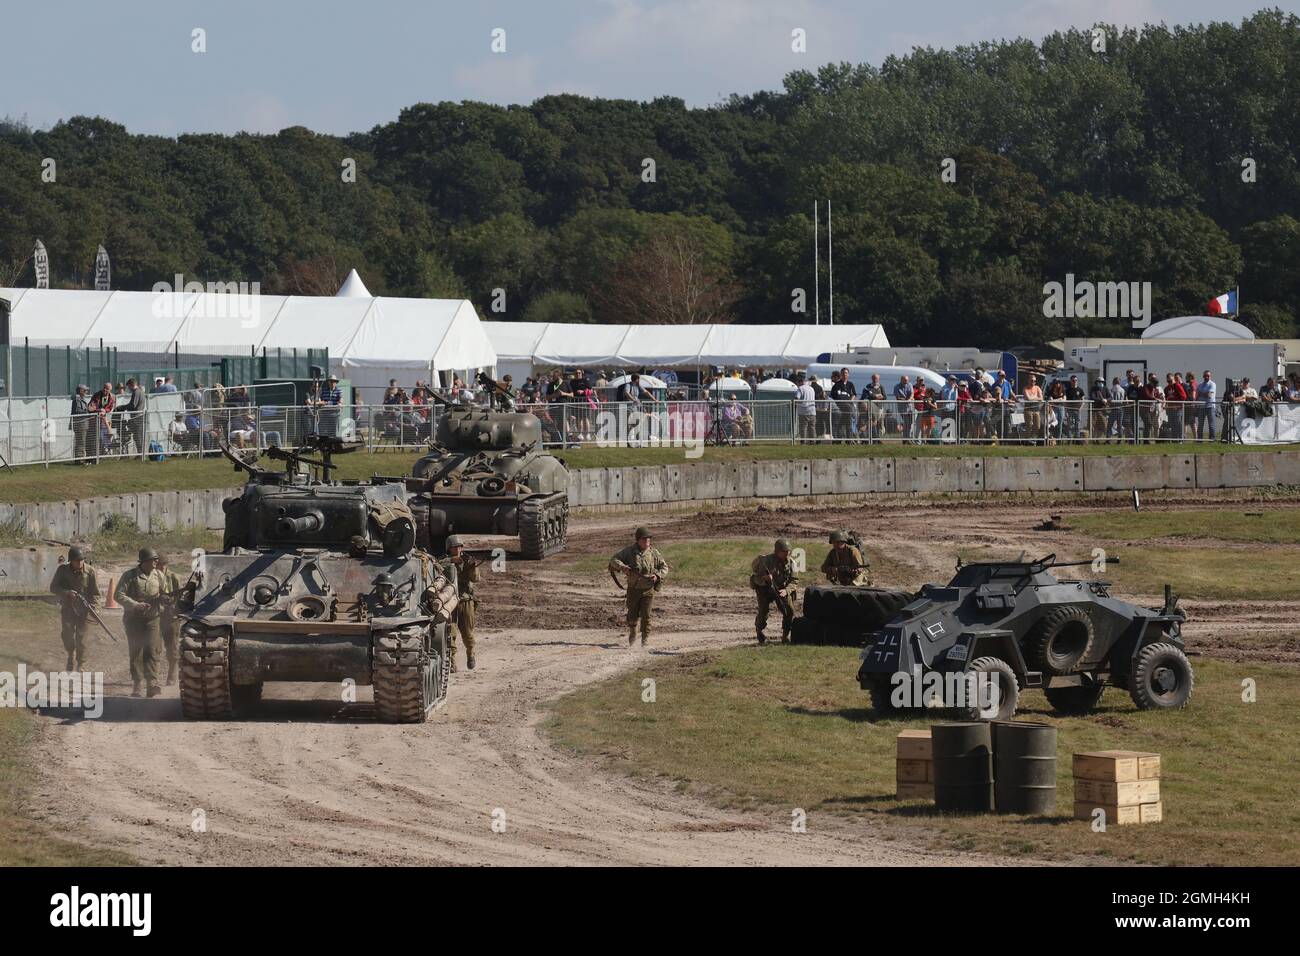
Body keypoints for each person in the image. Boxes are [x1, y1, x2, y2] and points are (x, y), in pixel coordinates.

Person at [114, 548, 168, 698]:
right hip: (134, 619)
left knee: (152, 649)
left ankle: (151, 684)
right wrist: (135, 605)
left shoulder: (159, 576)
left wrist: (163, 602)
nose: (156, 562)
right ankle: (137, 683)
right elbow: (118, 595)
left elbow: (166, 595)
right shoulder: (129, 576)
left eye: (157, 559)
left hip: (153, 618)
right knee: (136, 651)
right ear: (144, 561)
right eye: (153, 559)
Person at [608, 527, 669, 647]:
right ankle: (633, 631)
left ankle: (644, 641)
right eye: (644, 538)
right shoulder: (629, 552)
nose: (647, 541)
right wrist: (623, 567)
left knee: (646, 616)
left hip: (648, 590)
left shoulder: (654, 553)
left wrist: (657, 575)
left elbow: (664, 567)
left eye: (648, 538)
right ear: (638, 540)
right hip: (633, 589)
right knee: (632, 615)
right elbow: (613, 560)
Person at [49, 546, 100, 671]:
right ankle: (70, 655)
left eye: (82, 560)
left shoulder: (90, 571)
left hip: (85, 609)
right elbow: (53, 588)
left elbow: (96, 594)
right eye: (77, 560)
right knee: (67, 635)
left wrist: (96, 608)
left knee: (82, 638)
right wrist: (67, 593)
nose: (80, 562)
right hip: (68, 608)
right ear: (71, 560)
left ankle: (81, 664)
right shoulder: (62, 570)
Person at [443, 535, 480, 671]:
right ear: (449, 549)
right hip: (449, 601)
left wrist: (472, 567)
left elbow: (476, 579)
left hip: (465, 601)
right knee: (450, 632)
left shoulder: (468, 560)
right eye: (454, 547)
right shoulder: (444, 560)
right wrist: (452, 561)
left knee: (468, 632)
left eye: (459, 547)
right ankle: (452, 661)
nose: (458, 549)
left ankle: (471, 654)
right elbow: (437, 566)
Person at [750, 539, 797, 644]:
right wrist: (765, 578)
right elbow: (756, 578)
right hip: (764, 589)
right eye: (784, 551)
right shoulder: (766, 561)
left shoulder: (791, 563)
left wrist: (787, 590)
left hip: (781, 589)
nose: (787, 553)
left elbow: (794, 580)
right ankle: (759, 631)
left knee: (789, 610)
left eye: (788, 551)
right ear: (777, 551)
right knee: (763, 612)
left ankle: (785, 636)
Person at [157, 554, 183, 686]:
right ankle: (152, 677)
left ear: (166, 565)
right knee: (154, 647)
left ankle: (172, 673)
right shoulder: (152, 577)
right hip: (156, 616)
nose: (160, 567)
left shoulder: (174, 577)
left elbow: (180, 596)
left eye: (162, 564)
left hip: (171, 616)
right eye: (158, 564)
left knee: (172, 647)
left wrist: (172, 605)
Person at [88, 382, 116, 458]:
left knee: (107, 436)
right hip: (95, 421)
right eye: (104, 387)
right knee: (96, 438)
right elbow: (91, 407)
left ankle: (105, 454)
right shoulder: (96, 395)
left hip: (105, 421)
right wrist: (99, 410)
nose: (104, 389)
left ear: (110, 390)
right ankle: (95, 455)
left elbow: (110, 408)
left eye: (107, 388)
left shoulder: (112, 397)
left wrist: (104, 410)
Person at [859, 374, 887, 443]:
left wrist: (876, 396)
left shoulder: (881, 387)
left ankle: (878, 438)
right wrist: (876, 396)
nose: (875, 379)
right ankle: (872, 439)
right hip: (870, 408)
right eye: (874, 378)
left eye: (876, 378)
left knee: (879, 424)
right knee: (872, 421)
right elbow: (867, 396)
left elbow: (885, 397)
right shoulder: (868, 386)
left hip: (879, 407)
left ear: (879, 379)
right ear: (872, 378)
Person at [70, 384, 94, 465]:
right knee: (80, 442)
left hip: (83, 424)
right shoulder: (77, 400)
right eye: (85, 390)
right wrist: (89, 410)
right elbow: (78, 411)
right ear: (80, 391)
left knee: (82, 442)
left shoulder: (81, 399)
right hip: (80, 425)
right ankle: (79, 460)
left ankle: (81, 459)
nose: (86, 392)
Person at [795, 374, 817, 442]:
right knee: (812, 427)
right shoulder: (811, 388)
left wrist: (794, 402)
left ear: (800, 382)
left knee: (803, 427)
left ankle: (803, 441)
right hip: (812, 411)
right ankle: (812, 441)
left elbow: (797, 398)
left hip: (803, 411)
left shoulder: (800, 388)